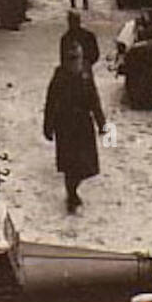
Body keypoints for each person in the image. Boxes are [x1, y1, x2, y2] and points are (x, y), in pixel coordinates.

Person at [43, 45, 106, 212]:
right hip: (66, 125)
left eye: (76, 58)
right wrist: (48, 127)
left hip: (84, 124)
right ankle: (71, 194)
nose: (74, 63)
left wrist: (101, 123)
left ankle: (73, 190)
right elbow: (51, 102)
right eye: (70, 59)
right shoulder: (60, 76)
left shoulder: (86, 73)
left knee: (85, 163)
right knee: (70, 164)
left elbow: (94, 98)